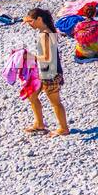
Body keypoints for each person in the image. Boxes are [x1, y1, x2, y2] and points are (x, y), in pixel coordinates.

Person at [23, 8, 69, 136]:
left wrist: (29, 57)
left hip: (50, 73)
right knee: (32, 96)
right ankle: (39, 124)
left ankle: (63, 128)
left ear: (39, 19)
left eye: (30, 21)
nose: (29, 24)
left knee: (55, 102)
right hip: (45, 71)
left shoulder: (45, 35)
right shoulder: (46, 32)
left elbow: (48, 58)